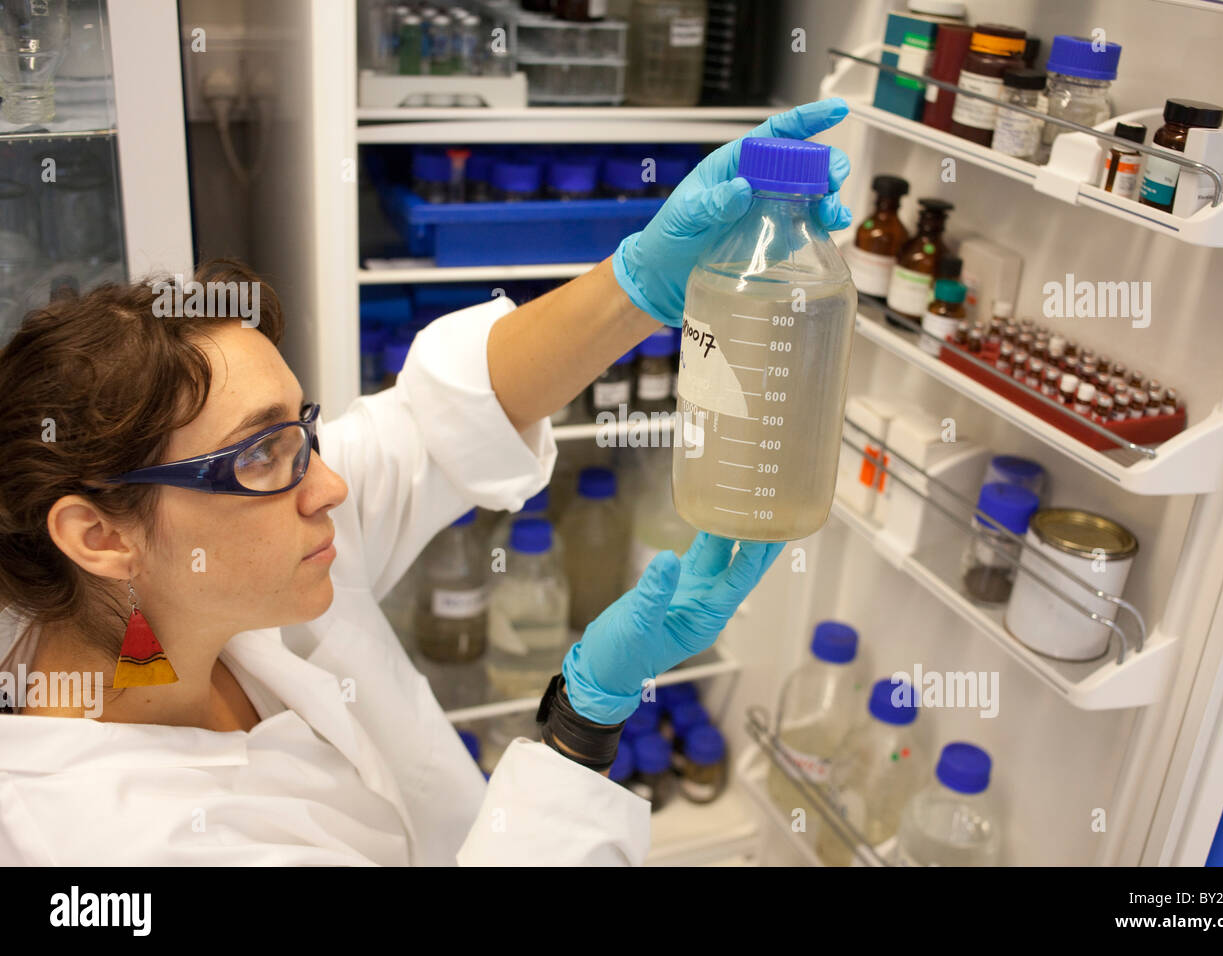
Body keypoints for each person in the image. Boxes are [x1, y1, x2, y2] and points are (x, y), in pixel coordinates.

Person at [0, 100, 853, 865]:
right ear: (99, 537)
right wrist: (583, 721)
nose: (329, 484)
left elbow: (436, 423)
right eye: (260, 452)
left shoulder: (208, 585)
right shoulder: (107, 844)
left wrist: (639, 283)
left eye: (305, 429)